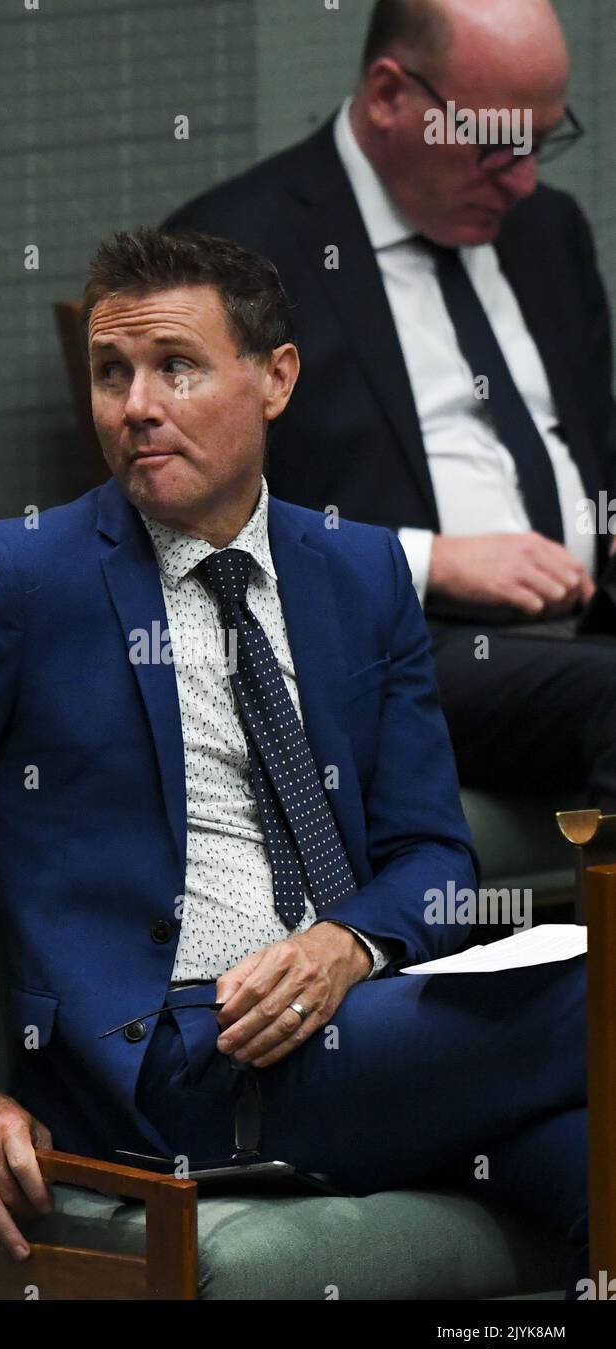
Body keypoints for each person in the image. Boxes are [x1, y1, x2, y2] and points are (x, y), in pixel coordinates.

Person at [0, 228, 587, 1296]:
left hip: (361, 1025)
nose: (134, 406)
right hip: (178, 1063)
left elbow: (432, 853)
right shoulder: (23, 582)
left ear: (275, 378)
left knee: (591, 1164)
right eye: (111, 374)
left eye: (176, 367)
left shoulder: (354, 571)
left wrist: (345, 944)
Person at [163, 0, 616, 811]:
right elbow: (199, 524)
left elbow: (600, 449)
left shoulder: (547, 231)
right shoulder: (234, 256)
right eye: (495, 144)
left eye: (541, 143)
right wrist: (433, 560)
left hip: (585, 623)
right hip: (392, 646)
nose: (523, 179)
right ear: (388, 95)